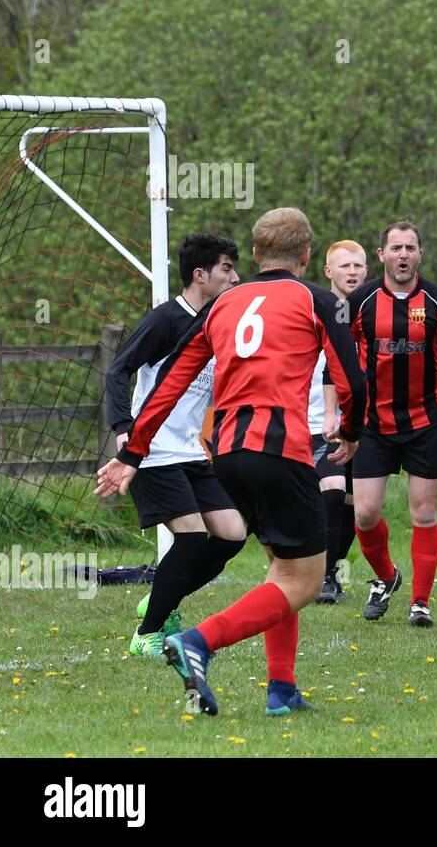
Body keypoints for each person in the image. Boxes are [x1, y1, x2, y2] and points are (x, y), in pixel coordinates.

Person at [96, 208, 366, 717]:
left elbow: (170, 385)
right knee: (304, 580)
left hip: (226, 454)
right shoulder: (318, 299)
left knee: (281, 567)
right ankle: (199, 641)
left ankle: (281, 690)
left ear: (257, 255)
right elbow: (353, 381)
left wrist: (132, 451)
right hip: (281, 451)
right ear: (308, 257)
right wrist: (350, 433)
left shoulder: (220, 307)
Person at [104, 234, 247, 657]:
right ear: (199, 275)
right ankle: (145, 634)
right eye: (226, 269)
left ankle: (162, 600)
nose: (235, 277)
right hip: (153, 452)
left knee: (232, 535)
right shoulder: (165, 319)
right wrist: (123, 428)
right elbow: (117, 371)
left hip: (190, 452)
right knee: (190, 539)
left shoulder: (219, 322)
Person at [346, 222, 437, 627]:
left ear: (420, 254)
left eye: (411, 248)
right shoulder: (360, 300)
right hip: (372, 423)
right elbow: (339, 358)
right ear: (381, 255)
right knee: (364, 514)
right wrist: (338, 411)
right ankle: (386, 577)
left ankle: (420, 602)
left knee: (423, 513)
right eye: (395, 248)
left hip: (426, 421)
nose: (403, 255)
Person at [309, 239, 368, 603]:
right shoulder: (314, 312)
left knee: (355, 505)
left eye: (358, 266)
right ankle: (322, 575)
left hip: (362, 426)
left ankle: (332, 573)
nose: (352, 272)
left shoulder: (373, 315)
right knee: (330, 490)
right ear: (329, 272)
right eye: (344, 266)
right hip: (317, 423)